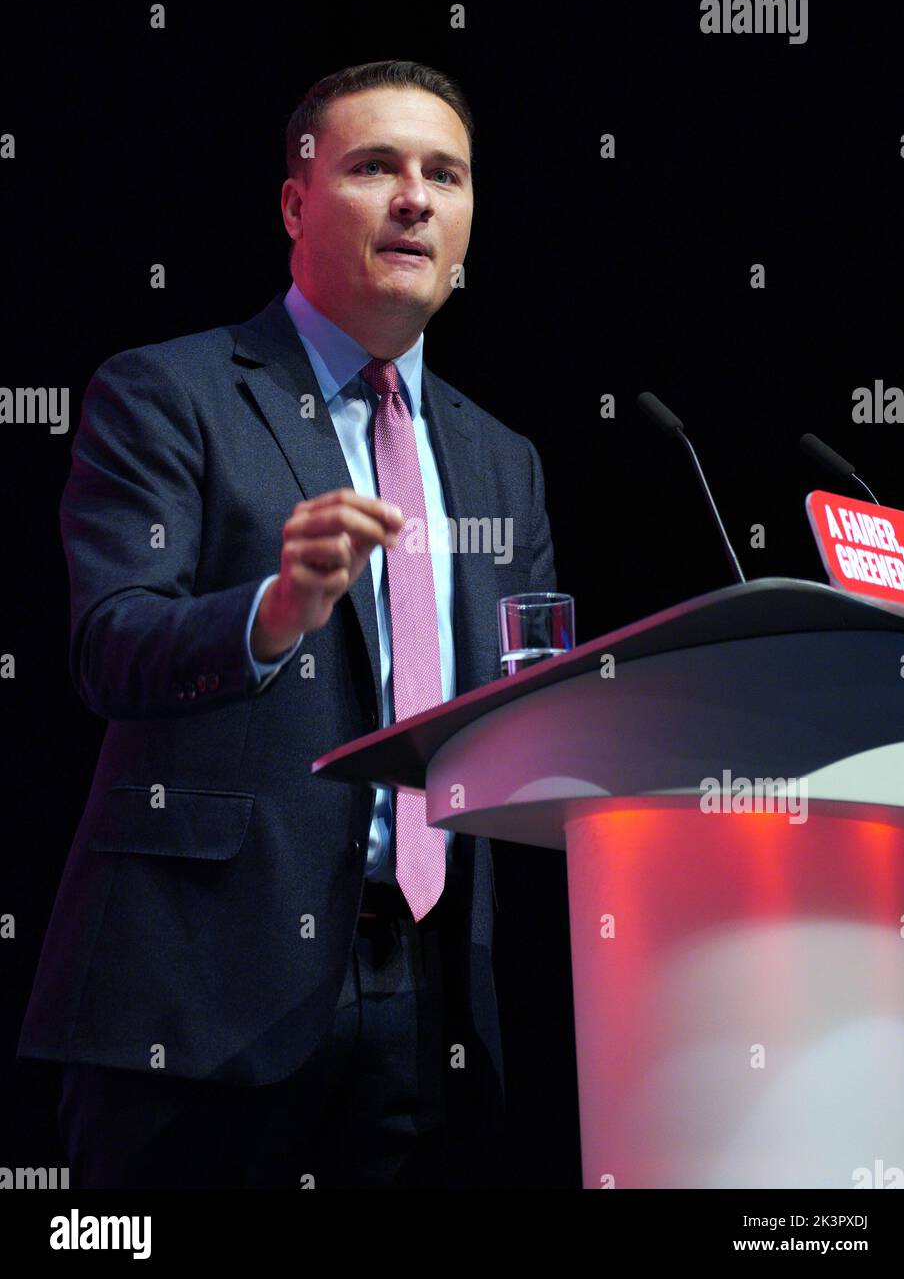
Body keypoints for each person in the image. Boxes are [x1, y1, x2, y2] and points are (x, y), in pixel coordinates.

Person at [16, 58, 557, 1188]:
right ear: (295, 203)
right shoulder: (172, 391)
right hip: (199, 991)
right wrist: (275, 609)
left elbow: (523, 701)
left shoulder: (504, 458)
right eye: (376, 166)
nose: (416, 197)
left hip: (426, 986)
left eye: (445, 175)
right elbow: (108, 647)